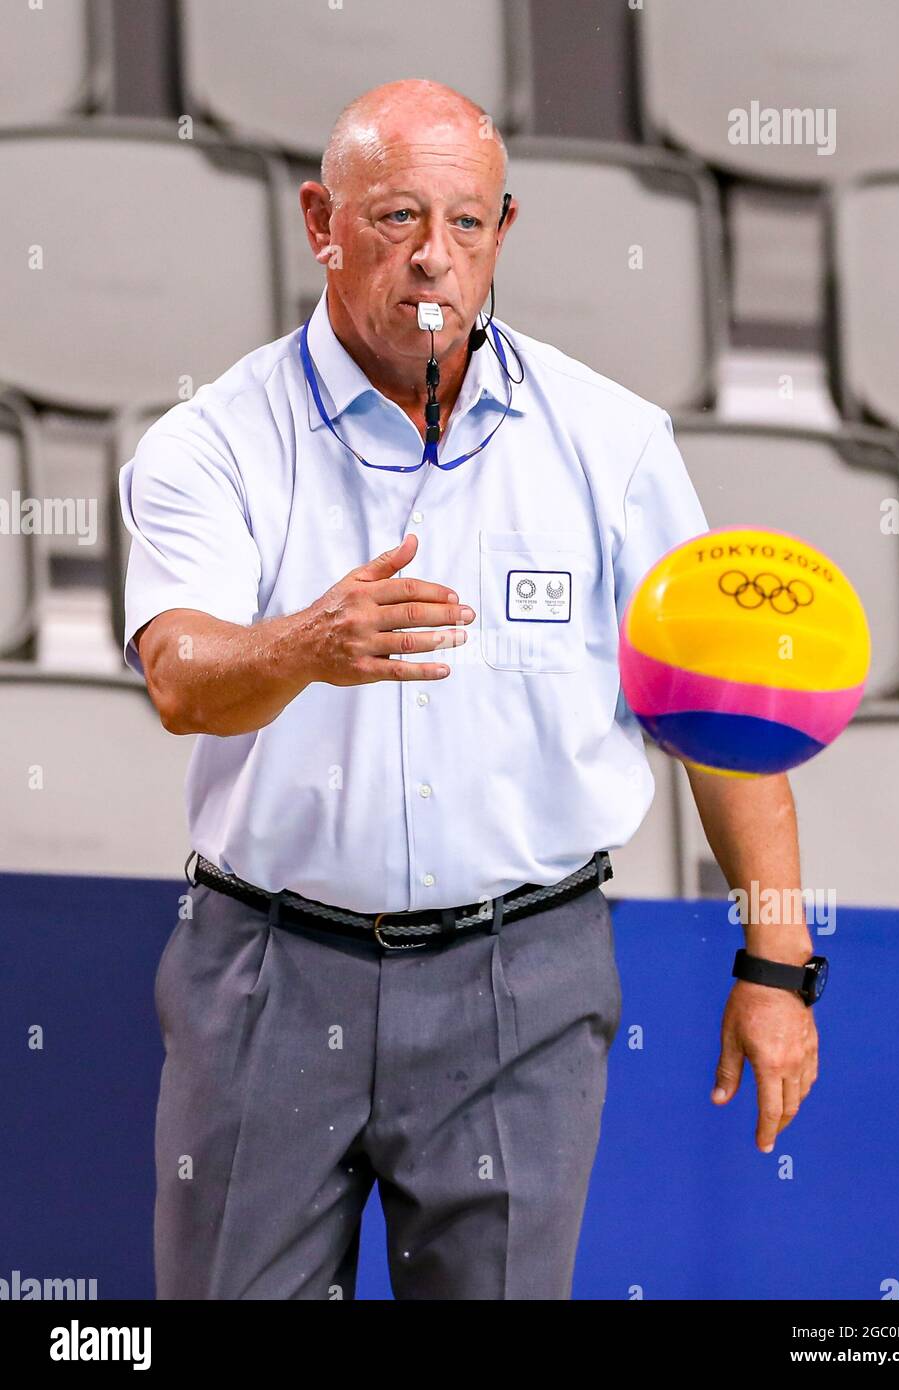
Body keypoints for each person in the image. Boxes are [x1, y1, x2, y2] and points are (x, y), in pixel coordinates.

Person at [119, 78, 819, 1301]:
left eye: (468, 222)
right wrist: (301, 644)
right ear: (319, 221)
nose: (433, 257)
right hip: (268, 978)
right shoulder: (214, 441)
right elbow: (181, 680)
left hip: (525, 982)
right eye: (394, 218)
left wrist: (777, 961)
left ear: (504, 231)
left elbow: (721, 721)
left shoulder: (613, 444)